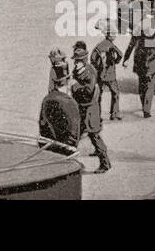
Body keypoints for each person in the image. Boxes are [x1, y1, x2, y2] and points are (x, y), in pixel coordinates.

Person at [70, 43, 110, 172]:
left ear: (83, 61)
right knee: (75, 136)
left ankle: (105, 163)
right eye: (75, 61)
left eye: (77, 61)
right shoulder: (78, 70)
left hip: (90, 110)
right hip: (82, 109)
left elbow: (89, 90)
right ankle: (68, 160)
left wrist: (75, 86)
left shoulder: (90, 71)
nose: (75, 63)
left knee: (94, 136)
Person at [39, 54, 81, 146]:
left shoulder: (46, 99)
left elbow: (43, 128)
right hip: (66, 150)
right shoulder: (71, 103)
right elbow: (74, 135)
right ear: (68, 81)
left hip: (47, 148)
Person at [122, 26, 155, 118]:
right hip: (151, 62)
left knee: (142, 85)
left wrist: (126, 59)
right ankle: (146, 110)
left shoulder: (138, 30)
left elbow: (131, 46)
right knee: (149, 87)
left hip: (141, 62)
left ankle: (145, 107)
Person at [91, 25, 124, 121]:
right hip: (110, 74)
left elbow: (92, 58)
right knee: (115, 93)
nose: (115, 37)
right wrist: (115, 62)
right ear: (110, 36)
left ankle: (98, 115)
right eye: (114, 35)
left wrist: (97, 67)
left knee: (98, 95)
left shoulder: (99, 45)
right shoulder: (112, 45)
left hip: (100, 74)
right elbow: (120, 55)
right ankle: (114, 114)